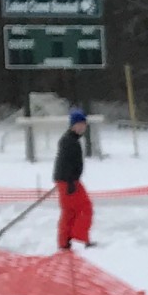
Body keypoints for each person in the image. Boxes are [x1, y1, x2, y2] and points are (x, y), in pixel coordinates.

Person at [54, 107, 95, 251]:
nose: (82, 127)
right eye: (79, 124)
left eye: (84, 124)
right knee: (84, 208)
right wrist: (70, 182)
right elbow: (64, 163)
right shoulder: (69, 141)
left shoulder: (70, 139)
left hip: (67, 180)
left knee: (70, 211)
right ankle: (78, 237)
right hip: (69, 181)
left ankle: (65, 241)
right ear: (72, 125)